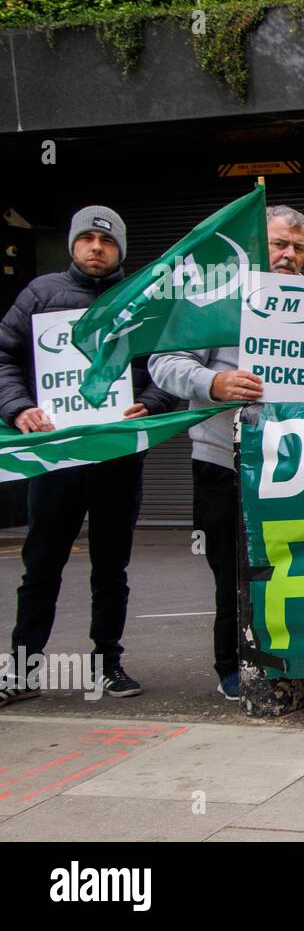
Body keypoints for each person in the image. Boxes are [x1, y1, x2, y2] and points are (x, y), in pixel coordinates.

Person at [150, 206, 304, 702]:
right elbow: (163, 362)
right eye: (278, 244)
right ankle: (234, 665)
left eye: (297, 247)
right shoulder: (212, 300)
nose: (288, 255)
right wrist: (213, 381)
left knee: (295, 570)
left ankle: (295, 662)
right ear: (256, 245)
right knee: (231, 571)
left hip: (292, 467)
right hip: (221, 463)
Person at [0, 206, 176, 706]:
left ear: (120, 247)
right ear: (72, 245)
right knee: (41, 564)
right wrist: (19, 407)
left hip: (118, 454)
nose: (96, 247)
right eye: (87, 238)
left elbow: (165, 363)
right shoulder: (39, 294)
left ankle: (108, 664)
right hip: (56, 455)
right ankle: (23, 668)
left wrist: (153, 402)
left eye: (107, 239)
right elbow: (4, 355)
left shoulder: (143, 298)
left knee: (110, 567)